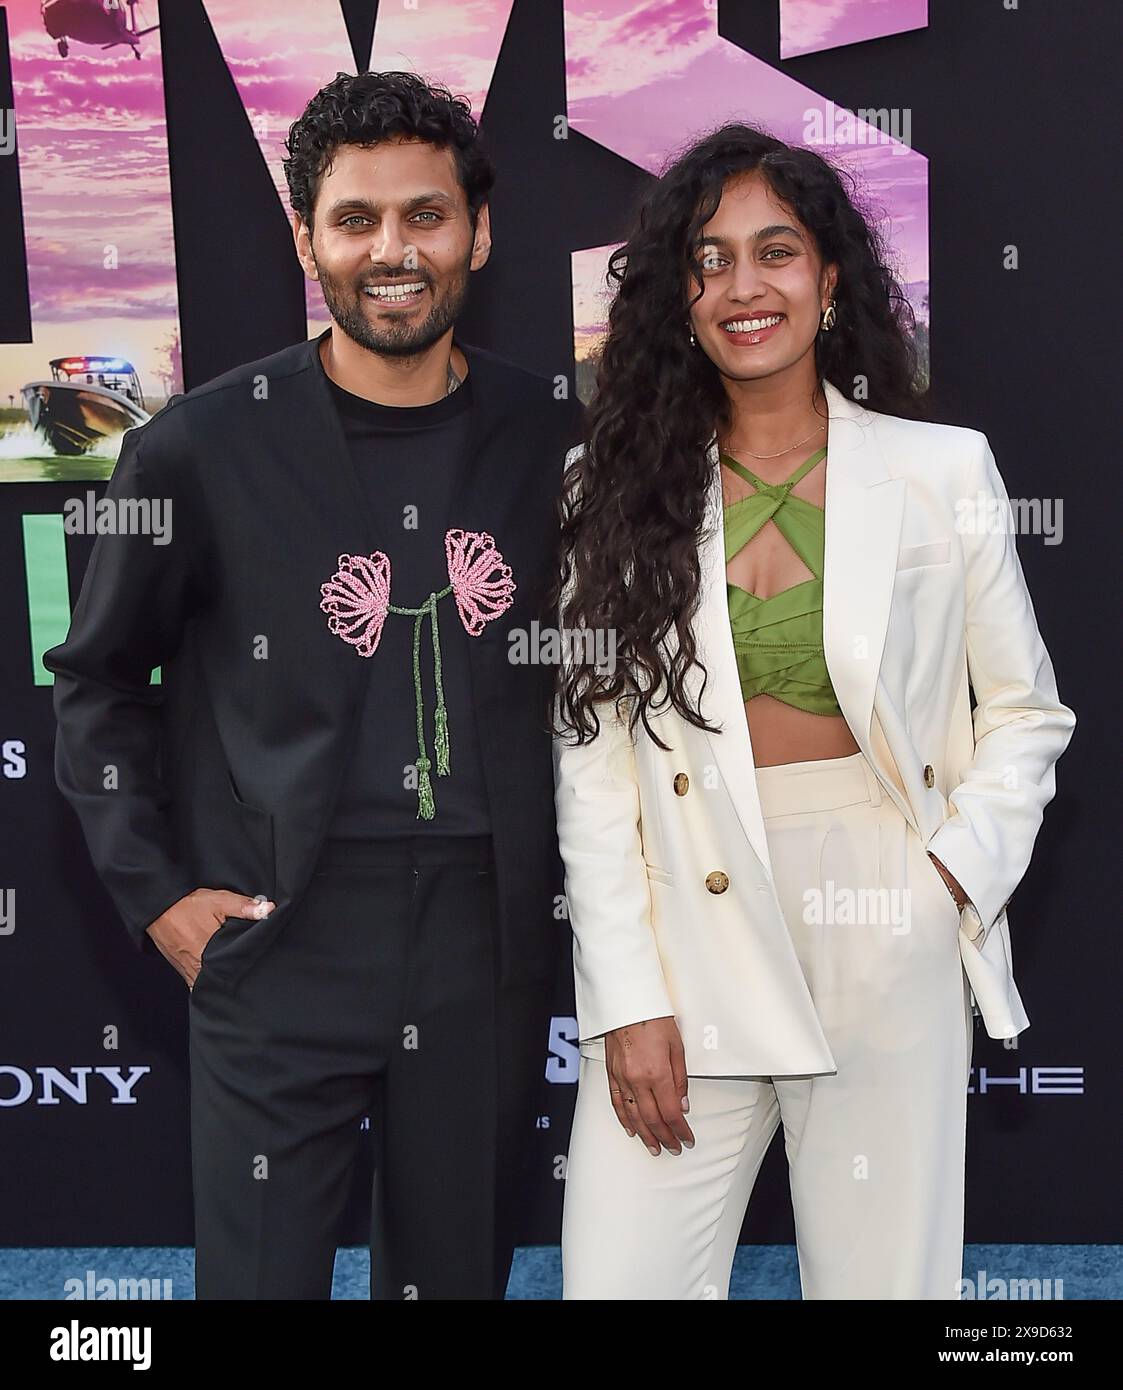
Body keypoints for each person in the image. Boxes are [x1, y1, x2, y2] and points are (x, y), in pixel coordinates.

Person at [45, 69, 582, 1300]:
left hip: (482, 937)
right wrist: (161, 896)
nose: (392, 250)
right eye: (356, 219)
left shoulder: (549, 432)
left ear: (478, 232)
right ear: (308, 239)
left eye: (425, 215)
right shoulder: (196, 445)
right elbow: (96, 680)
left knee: (452, 1279)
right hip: (274, 934)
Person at [550, 123, 1075, 1299]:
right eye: (708, 258)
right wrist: (626, 999)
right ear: (677, 297)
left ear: (829, 278)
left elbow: (1027, 712)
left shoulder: (944, 470)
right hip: (689, 926)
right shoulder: (610, 487)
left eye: (775, 252)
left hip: (884, 911)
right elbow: (591, 768)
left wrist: (941, 882)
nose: (744, 287)